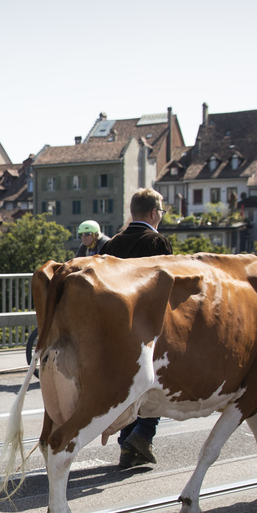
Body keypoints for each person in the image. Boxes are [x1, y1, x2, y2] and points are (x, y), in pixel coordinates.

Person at [100, 188, 172, 469]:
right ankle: (141, 434)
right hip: (147, 329)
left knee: (127, 388)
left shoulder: (110, 245)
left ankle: (128, 444)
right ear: (154, 213)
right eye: (161, 213)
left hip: (115, 329)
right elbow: (166, 290)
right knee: (153, 386)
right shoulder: (158, 242)